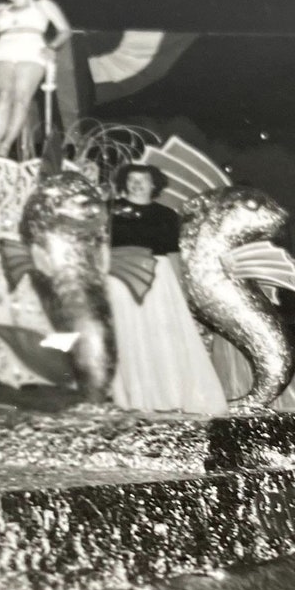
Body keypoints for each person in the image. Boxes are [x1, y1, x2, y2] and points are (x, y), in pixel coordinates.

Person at [107, 163, 229, 416]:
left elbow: (173, 254)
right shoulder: (110, 211)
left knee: (161, 337)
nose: (137, 184)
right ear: (124, 183)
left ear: (154, 185)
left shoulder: (165, 215)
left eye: (143, 179)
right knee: (128, 335)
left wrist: (180, 290)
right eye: (132, 179)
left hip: (159, 280)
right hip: (121, 278)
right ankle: (130, 398)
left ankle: (168, 396)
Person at [0, 0, 72, 158]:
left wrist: (51, 47)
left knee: (21, 98)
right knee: (3, 94)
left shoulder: (42, 4)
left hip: (32, 49)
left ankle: (6, 145)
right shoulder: (0, 8)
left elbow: (65, 30)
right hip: (3, 49)